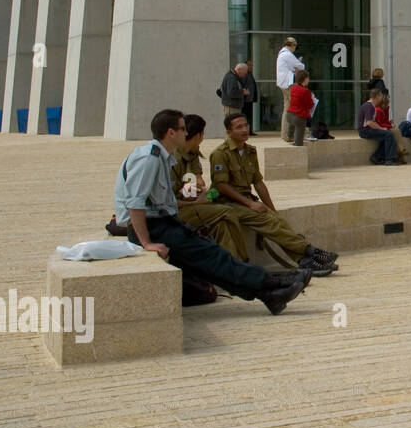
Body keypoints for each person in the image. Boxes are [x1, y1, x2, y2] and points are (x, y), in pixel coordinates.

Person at [115, 109, 311, 315]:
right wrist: (146, 243)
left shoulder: (167, 157)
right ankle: (271, 280)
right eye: (183, 129)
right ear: (171, 133)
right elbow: (135, 202)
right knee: (214, 252)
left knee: (212, 262)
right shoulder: (150, 158)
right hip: (154, 227)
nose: (187, 133)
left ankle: (270, 295)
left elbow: (173, 196)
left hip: (166, 221)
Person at [210, 113, 339, 274]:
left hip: (245, 200)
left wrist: (271, 208)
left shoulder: (250, 151)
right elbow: (221, 186)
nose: (245, 130)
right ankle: (311, 251)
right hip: (227, 202)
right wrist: (250, 203)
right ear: (229, 132)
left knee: (277, 220)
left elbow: (258, 182)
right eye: (239, 127)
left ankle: (304, 261)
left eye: (246, 125)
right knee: (268, 221)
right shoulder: (220, 154)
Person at [173, 113, 249, 262]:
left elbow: (199, 181)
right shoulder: (174, 159)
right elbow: (168, 202)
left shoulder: (191, 152)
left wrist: (199, 192)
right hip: (174, 210)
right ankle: (243, 263)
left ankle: (231, 265)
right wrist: (196, 202)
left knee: (222, 224)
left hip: (190, 198)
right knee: (227, 212)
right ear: (197, 136)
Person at [275, 38, 305, 142]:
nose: (295, 49)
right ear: (292, 45)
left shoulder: (281, 54)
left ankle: (285, 134)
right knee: (295, 108)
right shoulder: (287, 54)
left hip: (283, 84)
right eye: (295, 47)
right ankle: (293, 133)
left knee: (287, 108)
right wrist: (298, 65)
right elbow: (301, 67)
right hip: (289, 84)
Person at [358, 89, 399, 163]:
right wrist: (381, 128)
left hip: (368, 129)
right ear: (377, 96)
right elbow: (369, 123)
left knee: (386, 136)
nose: (381, 98)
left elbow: (372, 122)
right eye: (380, 96)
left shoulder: (371, 106)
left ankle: (376, 157)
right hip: (365, 131)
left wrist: (382, 128)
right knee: (389, 135)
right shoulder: (369, 106)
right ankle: (390, 159)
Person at [375, 94, 411, 164]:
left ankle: (401, 151)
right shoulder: (378, 110)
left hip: (386, 127)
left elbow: (385, 120)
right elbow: (379, 123)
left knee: (397, 131)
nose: (387, 104)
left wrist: (390, 123)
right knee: (396, 132)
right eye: (386, 103)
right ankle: (401, 150)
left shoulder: (385, 109)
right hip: (381, 128)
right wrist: (390, 125)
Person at [284, 69, 315, 147]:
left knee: (291, 138)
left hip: (289, 115)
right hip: (299, 118)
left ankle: (289, 135)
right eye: (308, 78)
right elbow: (310, 105)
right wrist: (312, 98)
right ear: (304, 79)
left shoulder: (293, 88)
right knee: (298, 143)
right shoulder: (306, 91)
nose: (309, 80)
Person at [242, 60, 259, 135]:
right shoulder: (244, 75)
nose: (251, 67)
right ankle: (247, 131)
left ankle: (250, 130)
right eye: (249, 65)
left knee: (250, 115)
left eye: (251, 65)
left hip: (250, 99)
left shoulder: (250, 74)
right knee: (246, 116)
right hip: (246, 99)